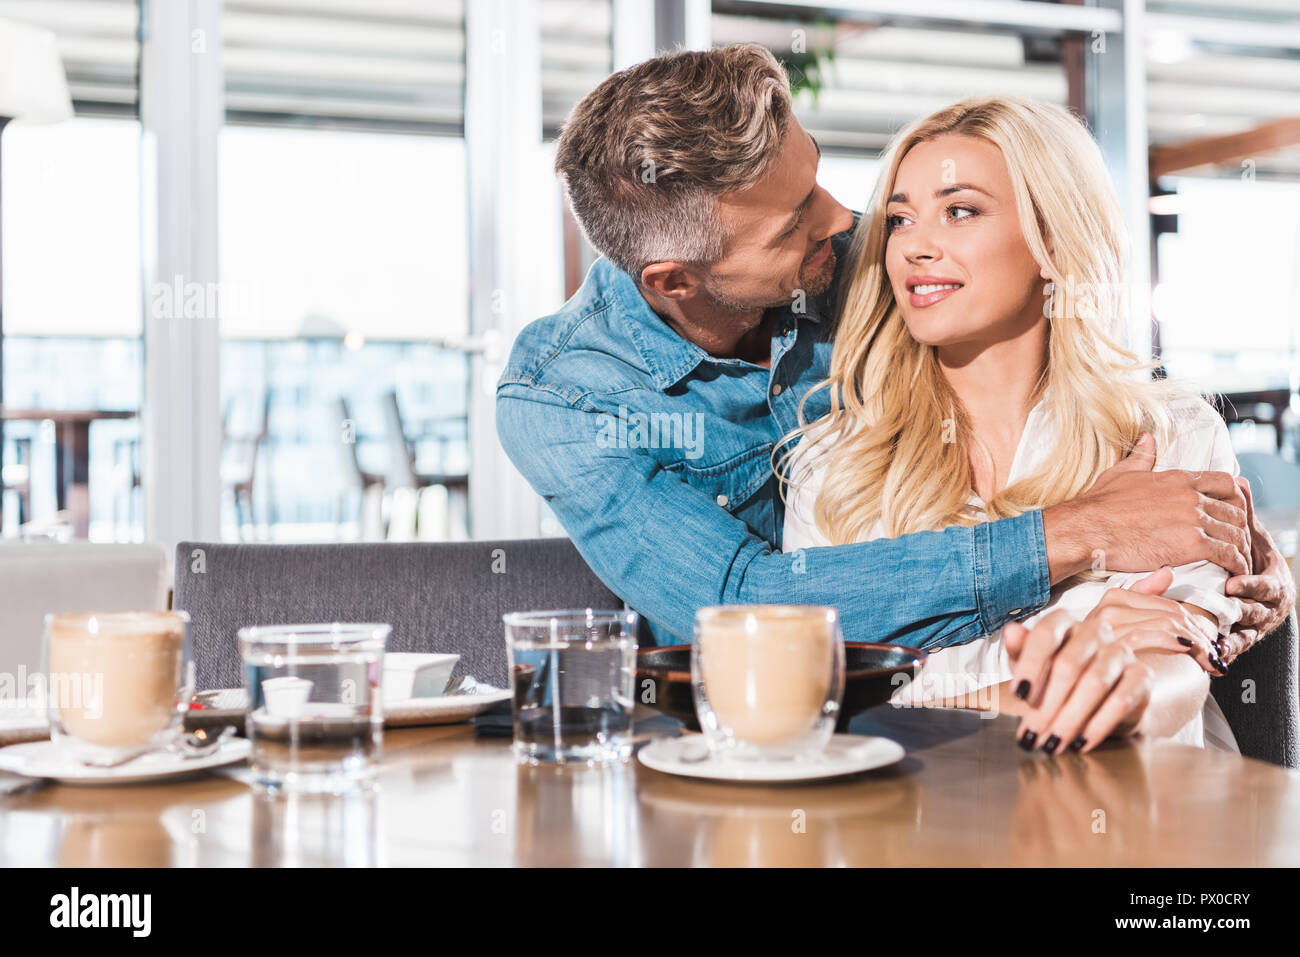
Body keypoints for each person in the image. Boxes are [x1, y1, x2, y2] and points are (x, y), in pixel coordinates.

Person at [495, 44, 1294, 746]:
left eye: (817, 179)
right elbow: (761, 619)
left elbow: (1175, 649)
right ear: (677, 280)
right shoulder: (568, 398)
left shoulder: (887, 260)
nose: (858, 226)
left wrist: (1246, 580)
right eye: (794, 222)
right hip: (765, 756)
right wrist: (1073, 541)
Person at [781, 95, 1259, 751]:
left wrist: (1127, 687)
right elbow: (803, 708)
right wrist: (1040, 696)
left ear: (1051, 238)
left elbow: (1178, 666)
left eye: (960, 210)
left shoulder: (1167, 430)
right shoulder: (835, 462)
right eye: (900, 219)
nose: (916, 245)